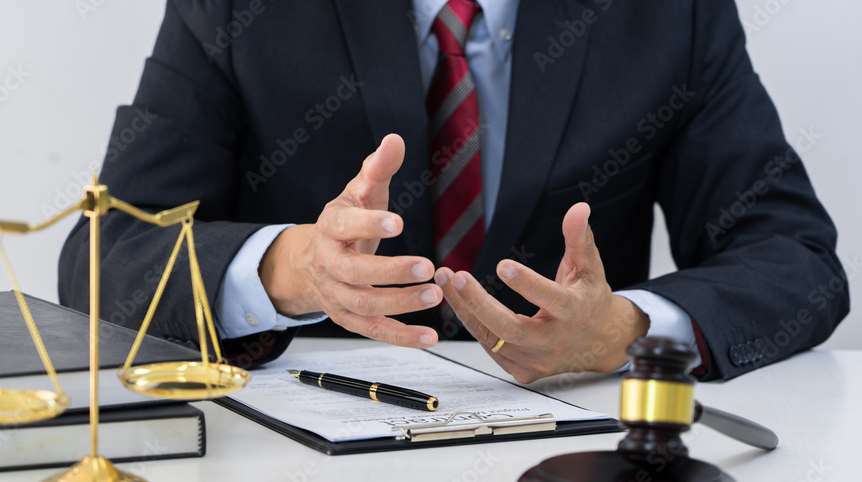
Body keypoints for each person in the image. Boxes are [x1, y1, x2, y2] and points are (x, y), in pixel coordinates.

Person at [58, 0, 848, 382]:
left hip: (571, 477)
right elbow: (106, 252)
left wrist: (628, 331)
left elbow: (797, 258)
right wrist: (289, 269)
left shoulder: (669, 12)